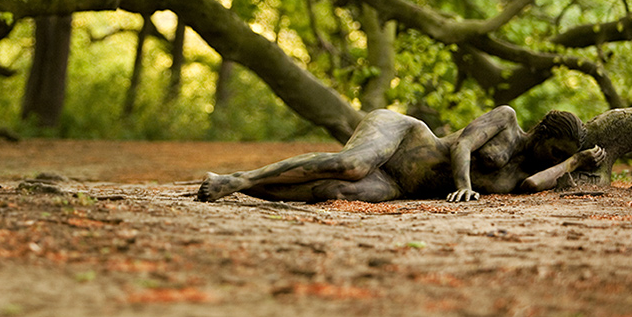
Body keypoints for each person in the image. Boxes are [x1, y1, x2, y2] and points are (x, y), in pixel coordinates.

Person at [197, 105, 605, 204]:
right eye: (557, 149)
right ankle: (240, 177)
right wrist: (463, 186)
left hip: (401, 184)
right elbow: (463, 144)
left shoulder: (526, 175)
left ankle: (240, 191)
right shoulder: (507, 119)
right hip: (405, 137)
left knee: (337, 190)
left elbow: (533, 185)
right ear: (544, 133)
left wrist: (573, 164)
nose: (555, 157)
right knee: (350, 164)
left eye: (562, 156)